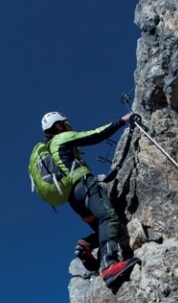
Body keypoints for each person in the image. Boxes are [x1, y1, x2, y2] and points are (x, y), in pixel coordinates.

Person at [38, 110, 138, 286]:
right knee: (108, 218)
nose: (68, 124)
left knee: (102, 228)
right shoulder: (62, 138)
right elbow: (96, 135)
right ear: (58, 125)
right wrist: (122, 120)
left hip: (73, 199)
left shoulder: (50, 148)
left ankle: (86, 245)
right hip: (84, 187)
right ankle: (109, 265)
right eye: (64, 122)